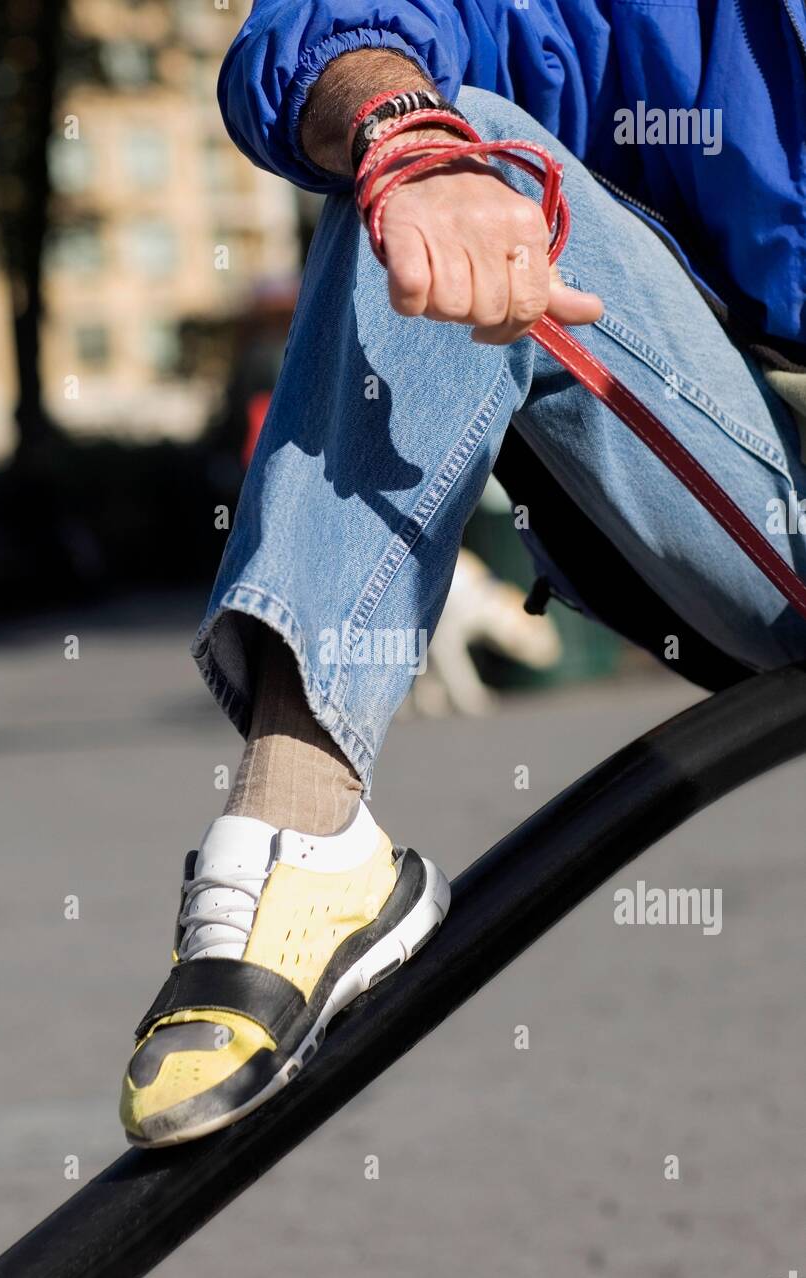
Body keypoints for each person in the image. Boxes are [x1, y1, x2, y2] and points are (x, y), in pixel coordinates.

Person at [120, 1, 806, 1147]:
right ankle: (300, 834)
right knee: (456, 148)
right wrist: (403, 129)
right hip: (760, 500)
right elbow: (326, 27)